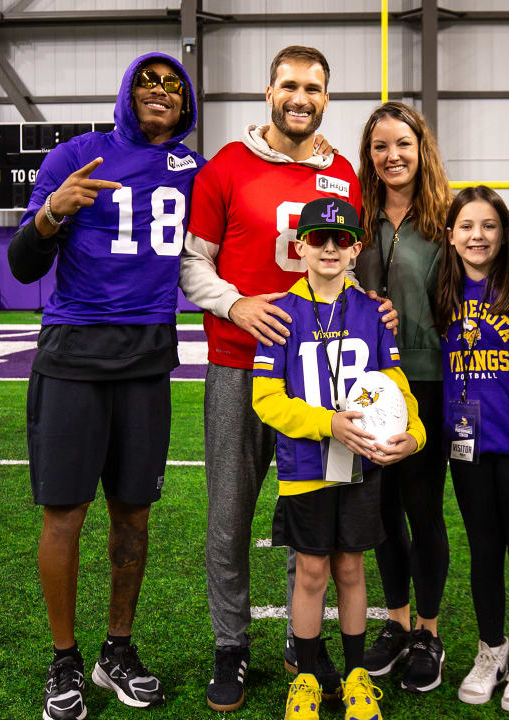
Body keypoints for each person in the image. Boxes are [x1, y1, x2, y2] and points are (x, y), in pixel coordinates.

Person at [181, 45, 395, 711]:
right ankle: (231, 645)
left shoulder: (341, 174)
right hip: (241, 366)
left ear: (327, 98)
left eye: (314, 87)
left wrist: (370, 304)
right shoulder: (224, 168)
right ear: (268, 91)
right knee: (230, 516)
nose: (301, 97)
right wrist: (235, 303)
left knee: (309, 516)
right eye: (290, 85)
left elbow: (348, 265)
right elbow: (193, 268)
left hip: (322, 381)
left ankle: (301, 647)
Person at [7, 52, 206, 720]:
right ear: (126, 93)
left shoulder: (192, 170)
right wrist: (50, 215)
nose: (160, 92)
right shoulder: (75, 157)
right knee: (64, 513)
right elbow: (22, 265)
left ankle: (116, 648)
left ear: (185, 105)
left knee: (134, 516)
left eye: (172, 87)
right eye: (148, 83)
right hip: (74, 356)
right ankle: (63, 660)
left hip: (148, 359)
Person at [253, 197, 425, 720]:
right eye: (319, 239)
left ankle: (354, 676)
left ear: (356, 248)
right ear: (299, 245)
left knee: (351, 567)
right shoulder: (280, 312)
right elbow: (267, 399)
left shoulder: (373, 312)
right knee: (310, 572)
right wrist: (327, 423)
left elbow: (395, 386)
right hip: (306, 467)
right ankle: (305, 677)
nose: (330, 247)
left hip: (360, 467)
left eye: (342, 239)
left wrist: (413, 433)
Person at [432, 186, 509, 714]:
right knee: (483, 552)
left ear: (504, 232)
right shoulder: (444, 290)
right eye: (466, 226)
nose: (477, 235)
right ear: (451, 234)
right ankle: (491, 651)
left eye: (488, 225)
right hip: (468, 448)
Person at [353, 101, 452, 693]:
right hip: (366, 382)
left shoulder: (446, 217)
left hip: (430, 382)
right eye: (380, 146)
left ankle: (428, 631)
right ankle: (393, 623)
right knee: (381, 511)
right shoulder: (357, 216)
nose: (392, 156)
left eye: (403, 144)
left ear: (422, 149)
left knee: (422, 505)